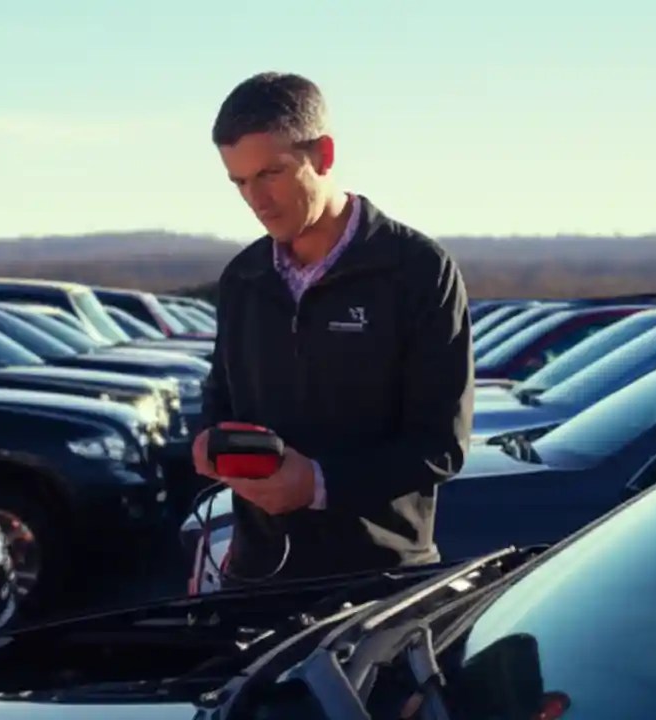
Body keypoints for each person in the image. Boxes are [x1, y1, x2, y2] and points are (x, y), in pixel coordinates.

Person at [192, 71, 475, 585]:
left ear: (323, 155)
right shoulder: (244, 277)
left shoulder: (416, 271)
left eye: (271, 173)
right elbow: (221, 401)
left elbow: (441, 444)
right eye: (239, 182)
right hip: (256, 577)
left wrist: (319, 483)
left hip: (377, 583)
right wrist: (210, 446)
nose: (256, 199)